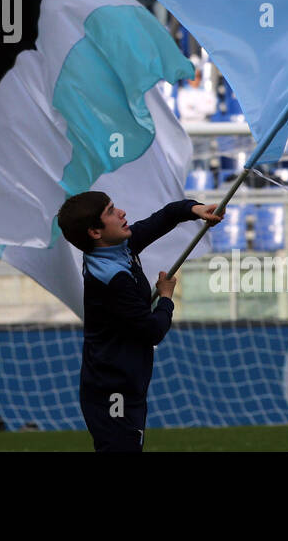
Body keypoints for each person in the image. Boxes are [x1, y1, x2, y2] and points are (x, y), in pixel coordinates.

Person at [56, 190, 223, 452]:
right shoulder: (113, 279)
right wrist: (166, 297)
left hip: (125, 382)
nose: (121, 212)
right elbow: (153, 331)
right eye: (111, 211)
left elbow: (166, 216)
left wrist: (195, 210)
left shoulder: (120, 248)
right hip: (112, 389)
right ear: (95, 232)